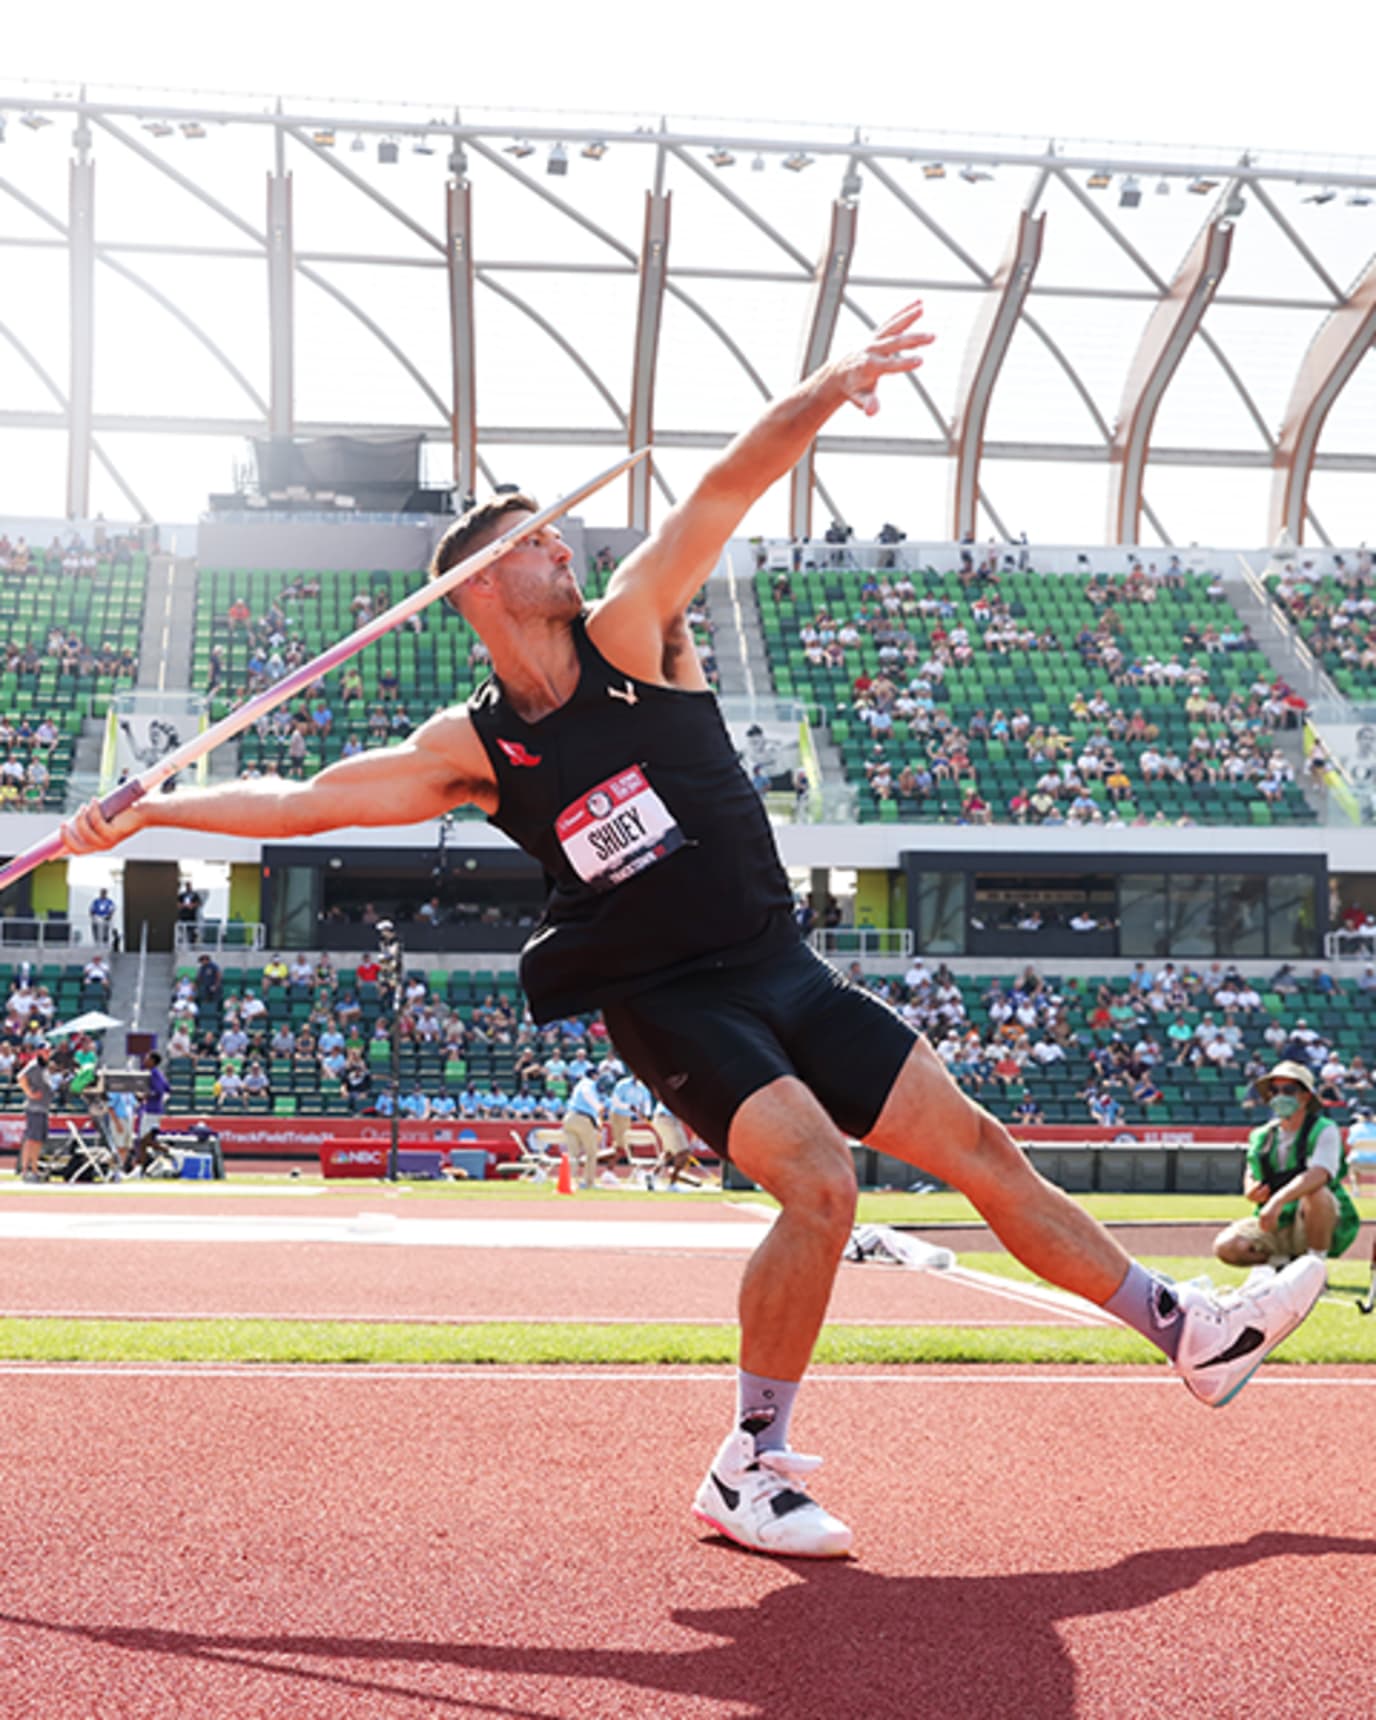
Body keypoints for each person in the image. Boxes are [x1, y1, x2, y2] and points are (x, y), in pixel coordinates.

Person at [59, 300, 1326, 1562]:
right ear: (477, 586)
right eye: (534, 539)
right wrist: (149, 810)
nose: (563, 545)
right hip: (665, 993)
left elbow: (722, 486)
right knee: (819, 1182)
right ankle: (750, 1465)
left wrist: (827, 387)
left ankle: (1188, 1332)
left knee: (978, 1147)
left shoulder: (627, 630)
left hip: (778, 960)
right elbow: (304, 802)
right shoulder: (473, 747)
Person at [1213, 1061, 1360, 1270]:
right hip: (1276, 1221)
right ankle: (1280, 1263)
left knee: (1316, 1192)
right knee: (1226, 1247)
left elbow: (1320, 1174)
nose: (1280, 1096)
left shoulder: (1325, 1130)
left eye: (1289, 1090)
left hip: (1317, 1220)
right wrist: (1251, 1191)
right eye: (1274, 1090)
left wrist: (1277, 1201)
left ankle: (1315, 1267)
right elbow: (1250, 1172)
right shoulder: (1261, 1135)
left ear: (1305, 1096)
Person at [17, 1042, 52, 1182]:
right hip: (35, 1108)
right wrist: (29, 1092)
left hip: (43, 1108)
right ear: (39, 1051)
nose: (48, 1053)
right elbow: (21, 1077)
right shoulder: (34, 1065)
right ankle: (26, 1170)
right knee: (31, 1139)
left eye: (49, 1051)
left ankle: (34, 1168)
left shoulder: (44, 1067)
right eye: (45, 1051)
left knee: (38, 1141)